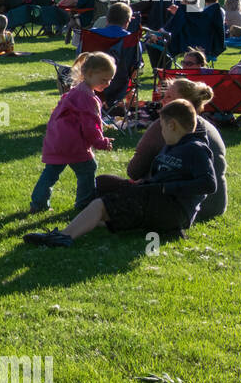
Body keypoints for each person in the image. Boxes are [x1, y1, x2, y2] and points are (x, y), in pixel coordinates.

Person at [25, 99, 216, 248]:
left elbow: (209, 184)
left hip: (174, 210)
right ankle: (73, 229)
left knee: (101, 205)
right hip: (156, 199)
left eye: (163, 127)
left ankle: (63, 237)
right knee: (104, 187)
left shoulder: (196, 149)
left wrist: (165, 188)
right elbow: (161, 176)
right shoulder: (170, 147)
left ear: (172, 125)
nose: (162, 132)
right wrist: (145, 184)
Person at [99, 77, 227, 221]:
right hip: (215, 205)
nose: (163, 101)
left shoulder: (168, 126)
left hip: (179, 207)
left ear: (184, 103)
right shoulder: (209, 128)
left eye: (169, 97)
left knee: (102, 183)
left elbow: (134, 172)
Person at [30, 51, 116, 213]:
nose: (108, 83)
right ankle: (84, 204)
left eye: (110, 79)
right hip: (73, 144)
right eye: (104, 79)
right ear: (89, 74)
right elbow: (90, 127)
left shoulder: (75, 92)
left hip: (56, 140)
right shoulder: (88, 98)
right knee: (88, 169)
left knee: (51, 172)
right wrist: (101, 142)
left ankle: (38, 203)